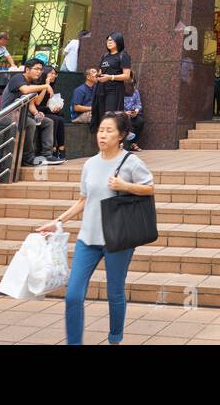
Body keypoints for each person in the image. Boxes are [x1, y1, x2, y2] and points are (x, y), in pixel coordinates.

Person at [37, 114, 152, 345]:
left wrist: (124, 186)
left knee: (115, 293)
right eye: (101, 130)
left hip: (117, 238)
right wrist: (58, 221)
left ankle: (115, 338)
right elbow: (83, 200)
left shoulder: (130, 162)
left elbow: (149, 189)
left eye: (109, 130)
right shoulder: (89, 164)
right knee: (73, 296)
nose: (103, 134)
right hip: (87, 239)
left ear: (121, 136)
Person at [0, 59, 60, 165]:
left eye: (40, 69)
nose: (39, 72)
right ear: (27, 69)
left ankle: (47, 154)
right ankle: (28, 158)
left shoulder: (32, 83)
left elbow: (31, 104)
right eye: (36, 69)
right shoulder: (18, 78)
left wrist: (36, 113)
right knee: (30, 123)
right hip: (7, 115)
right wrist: (46, 86)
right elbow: (25, 90)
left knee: (48, 122)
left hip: (21, 115)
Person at [91, 32, 132, 133]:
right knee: (102, 117)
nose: (108, 42)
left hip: (114, 91)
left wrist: (110, 77)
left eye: (111, 40)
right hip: (101, 90)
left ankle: (116, 142)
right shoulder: (105, 56)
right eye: (107, 40)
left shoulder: (123, 55)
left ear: (118, 41)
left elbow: (126, 76)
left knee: (111, 116)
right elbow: (101, 72)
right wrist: (97, 76)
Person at [36, 66, 68, 161]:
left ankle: (61, 148)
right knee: (54, 119)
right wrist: (46, 86)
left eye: (55, 74)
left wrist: (55, 107)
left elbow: (47, 104)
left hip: (44, 110)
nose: (54, 75)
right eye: (51, 73)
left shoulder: (52, 86)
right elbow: (38, 103)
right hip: (36, 111)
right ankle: (52, 149)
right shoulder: (38, 84)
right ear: (45, 73)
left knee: (60, 119)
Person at [121, 81, 143, 151]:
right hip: (123, 114)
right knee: (128, 123)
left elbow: (138, 103)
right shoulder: (120, 92)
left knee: (140, 121)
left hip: (133, 113)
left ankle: (134, 143)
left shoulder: (135, 92)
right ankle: (125, 144)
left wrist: (136, 111)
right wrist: (125, 112)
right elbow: (117, 105)